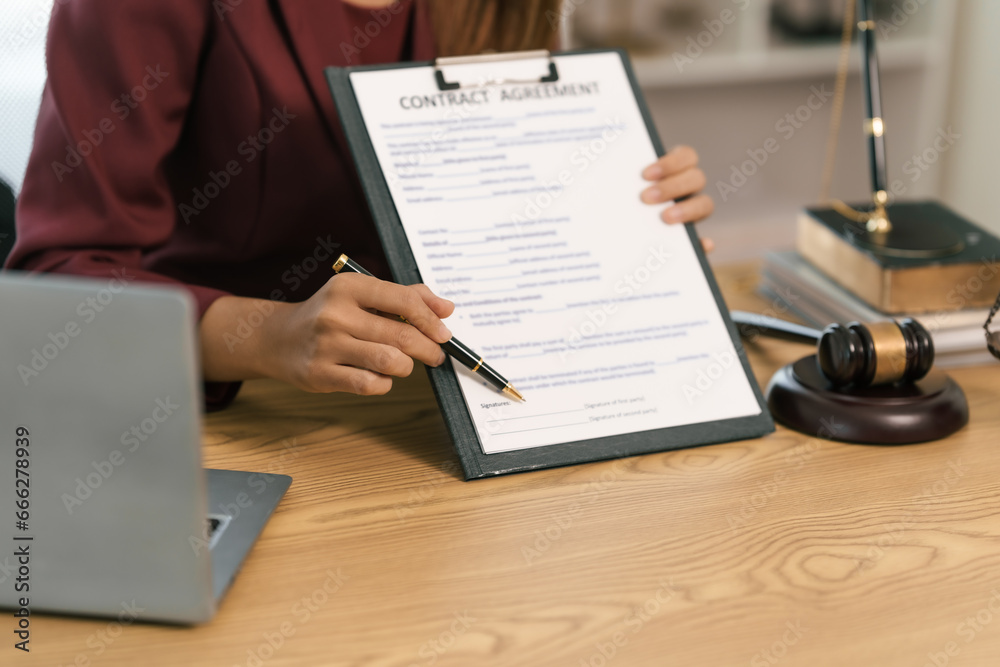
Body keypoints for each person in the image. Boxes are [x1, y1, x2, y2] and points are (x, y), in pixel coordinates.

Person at [5, 0, 714, 407]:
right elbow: (57, 282)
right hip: (221, 415)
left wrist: (625, 227)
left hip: (438, 410)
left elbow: (500, 204)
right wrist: (270, 336)